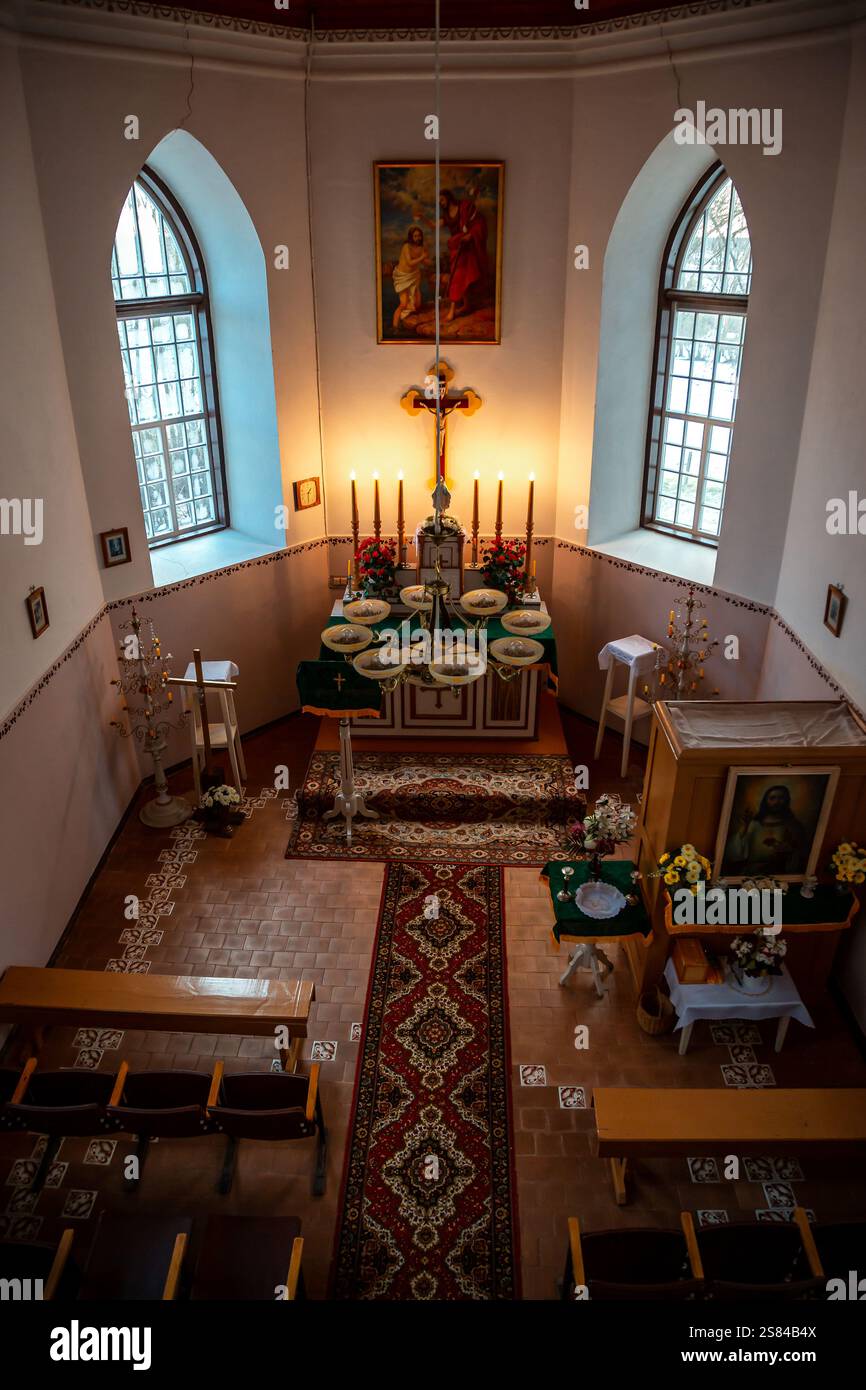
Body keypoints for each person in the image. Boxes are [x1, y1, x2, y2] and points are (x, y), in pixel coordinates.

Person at [725, 784, 810, 876]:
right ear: (765, 801)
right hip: (752, 873)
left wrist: (789, 851)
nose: (777, 802)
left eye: (781, 798)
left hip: (781, 874)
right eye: (772, 798)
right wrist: (744, 828)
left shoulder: (794, 826)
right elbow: (734, 853)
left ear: (787, 800)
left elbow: (802, 853)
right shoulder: (753, 824)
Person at [391, 225, 429, 330]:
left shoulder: (422, 247)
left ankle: (408, 317)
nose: (418, 238)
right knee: (403, 304)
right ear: (411, 237)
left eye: (419, 236)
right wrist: (422, 257)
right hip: (402, 276)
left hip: (414, 275)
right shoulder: (406, 246)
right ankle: (394, 327)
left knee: (417, 304)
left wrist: (427, 260)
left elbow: (426, 262)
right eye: (415, 236)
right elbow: (410, 262)